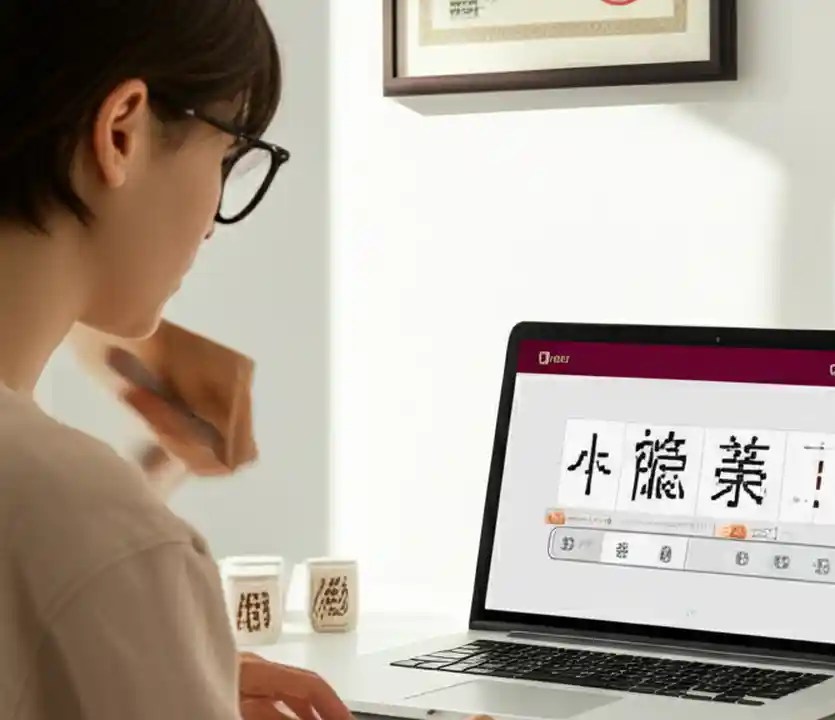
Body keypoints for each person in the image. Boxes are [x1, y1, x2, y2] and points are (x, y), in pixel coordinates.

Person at [0, 3, 491, 719]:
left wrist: (149, 672)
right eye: (228, 154)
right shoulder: (90, 525)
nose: (212, 217)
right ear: (120, 131)